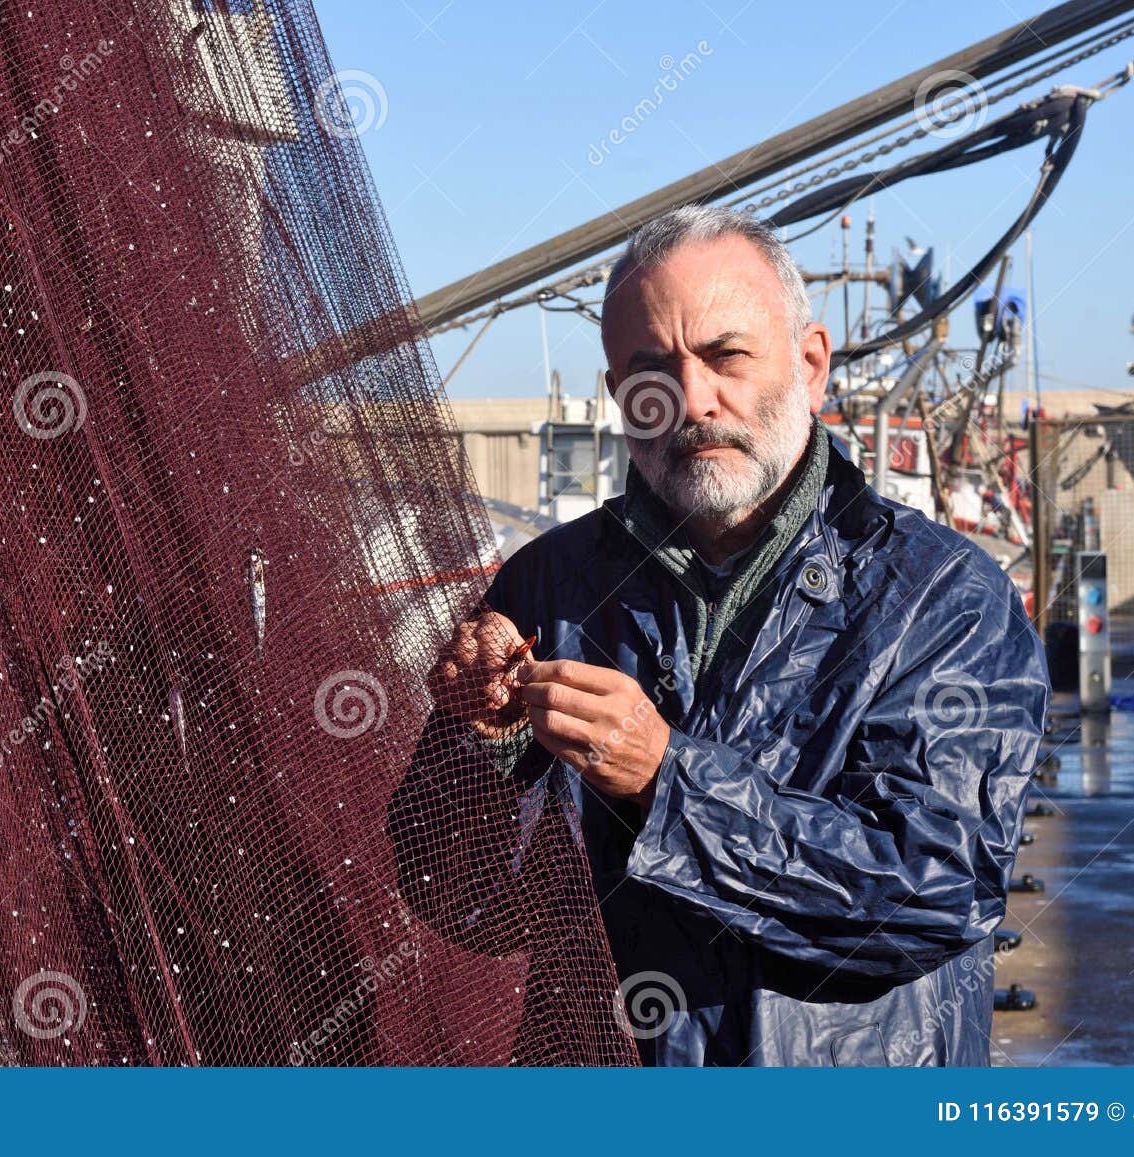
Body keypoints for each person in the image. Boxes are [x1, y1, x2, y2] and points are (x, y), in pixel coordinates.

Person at [393, 204, 1048, 1066]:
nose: (692, 399)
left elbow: (933, 891)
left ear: (812, 365)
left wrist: (668, 784)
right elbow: (467, 904)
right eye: (650, 369)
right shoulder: (546, 582)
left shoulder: (945, 599)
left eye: (726, 355)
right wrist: (476, 750)